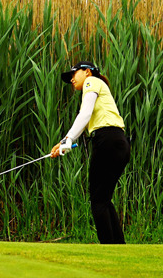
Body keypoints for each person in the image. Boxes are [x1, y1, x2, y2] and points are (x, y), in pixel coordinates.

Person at [50, 61, 131, 244]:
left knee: (98, 200)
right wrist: (64, 142)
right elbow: (86, 117)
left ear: (86, 72)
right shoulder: (97, 85)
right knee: (103, 198)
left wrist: (68, 139)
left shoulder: (91, 81)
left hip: (107, 140)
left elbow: (85, 114)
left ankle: (109, 249)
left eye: (74, 74)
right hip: (119, 143)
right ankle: (119, 248)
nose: (72, 79)